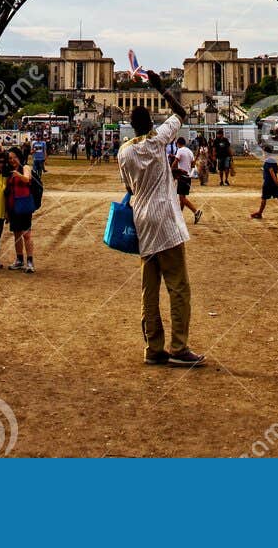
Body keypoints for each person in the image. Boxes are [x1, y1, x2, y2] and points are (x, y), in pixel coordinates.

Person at [117, 73, 205, 368]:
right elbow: (181, 112)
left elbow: (130, 188)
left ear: (131, 125)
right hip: (166, 221)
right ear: (150, 124)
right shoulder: (159, 140)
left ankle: (153, 348)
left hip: (142, 221)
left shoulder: (124, 152)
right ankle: (179, 347)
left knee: (149, 290)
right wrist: (161, 87)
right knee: (178, 287)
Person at [5, 148, 36, 273]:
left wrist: (18, 175)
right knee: (17, 234)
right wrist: (6, 211)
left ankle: (30, 261)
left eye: (14, 157)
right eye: (10, 158)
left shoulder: (25, 167)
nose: (12, 160)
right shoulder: (9, 172)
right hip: (13, 207)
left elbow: (27, 179)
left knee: (26, 234)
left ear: (19, 157)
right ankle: (19, 259)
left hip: (24, 206)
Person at [172, 137, 203, 225]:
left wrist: (170, 169)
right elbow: (193, 164)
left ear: (178, 143)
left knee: (182, 198)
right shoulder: (189, 151)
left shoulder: (180, 150)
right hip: (188, 177)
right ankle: (180, 216)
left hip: (182, 176)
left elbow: (176, 161)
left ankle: (196, 211)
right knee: (183, 198)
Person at [250, 154, 278, 220]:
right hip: (271, 182)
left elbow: (271, 171)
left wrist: (275, 181)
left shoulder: (268, 161)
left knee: (264, 198)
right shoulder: (273, 160)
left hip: (268, 183)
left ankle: (260, 213)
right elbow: (275, 171)